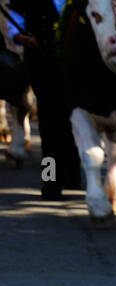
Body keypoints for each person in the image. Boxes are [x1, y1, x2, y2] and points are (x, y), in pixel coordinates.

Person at [7, 0, 79, 200]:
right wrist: (20, 37)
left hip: (72, 64)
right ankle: (50, 180)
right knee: (49, 123)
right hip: (40, 63)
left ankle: (71, 173)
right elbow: (15, 24)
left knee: (70, 120)